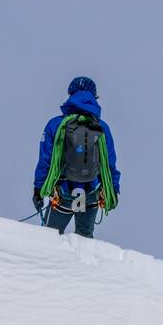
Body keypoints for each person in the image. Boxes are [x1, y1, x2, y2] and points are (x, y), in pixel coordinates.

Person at [32, 76, 121, 237]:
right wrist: (114, 189)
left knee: (49, 239)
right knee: (84, 239)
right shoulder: (102, 128)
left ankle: (46, 262)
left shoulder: (55, 125)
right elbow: (110, 163)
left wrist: (38, 189)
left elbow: (45, 160)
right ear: (94, 98)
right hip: (91, 193)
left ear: (70, 95)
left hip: (63, 192)